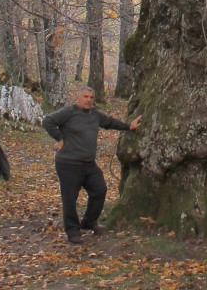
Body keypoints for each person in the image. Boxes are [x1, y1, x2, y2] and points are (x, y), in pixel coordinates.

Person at [42, 85, 140, 245]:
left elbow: (109, 122)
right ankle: (73, 231)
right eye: (86, 97)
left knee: (99, 189)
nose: (89, 100)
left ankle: (88, 221)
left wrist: (129, 126)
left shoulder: (94, 115)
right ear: (78, 97)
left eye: (91, 98)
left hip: (88, 163)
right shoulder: (69, 112)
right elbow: (48, 121)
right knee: (70, 198)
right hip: (68, 163)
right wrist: (59, 138)